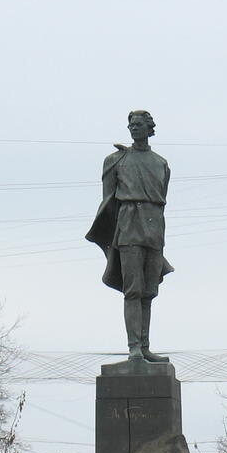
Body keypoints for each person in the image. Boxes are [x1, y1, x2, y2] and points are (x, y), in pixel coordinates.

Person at [85, 110, 174, 363]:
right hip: (128, 226)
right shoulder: (115, 160)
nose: (134, 129)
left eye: (139, 125)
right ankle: (134, 347)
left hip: (154, 226)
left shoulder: (161, 163)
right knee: (132, 290)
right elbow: (107, 202)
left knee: (149, 291)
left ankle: (145, 347)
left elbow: (162, 197)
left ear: (149, 128)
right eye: (131, 125)